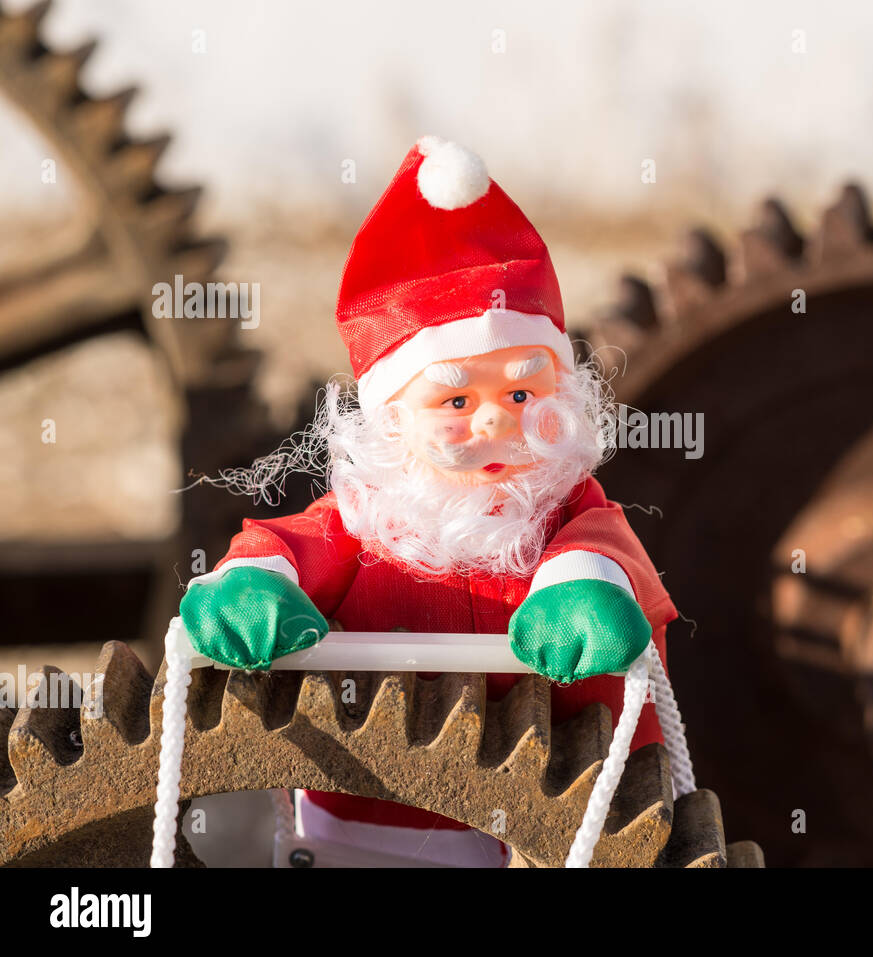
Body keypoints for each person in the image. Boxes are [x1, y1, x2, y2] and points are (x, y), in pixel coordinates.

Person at [179, 136, 677, 866]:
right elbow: (290, 543)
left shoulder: (569, 513)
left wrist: (584, 588)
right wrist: (253, 584)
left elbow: (602, 552)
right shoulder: (369, 515)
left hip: (547, 828)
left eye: (520, 391)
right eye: (454, 397)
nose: (493, 420)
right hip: (354, 824)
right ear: (390, 417)